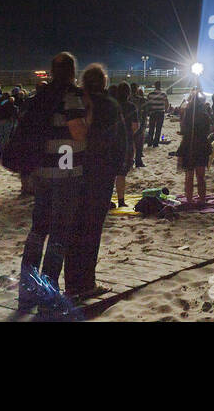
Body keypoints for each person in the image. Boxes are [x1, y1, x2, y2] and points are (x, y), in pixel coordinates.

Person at [20, 53, 88, 303]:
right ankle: (48, 288)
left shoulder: (41, 95)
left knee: (38, 229)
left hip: (42, 169)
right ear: (72, 71)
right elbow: (77, 132)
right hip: (65, 169)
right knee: (59, 231)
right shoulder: (70, 95)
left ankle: (27, 287)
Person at [66, 64, 125, 298]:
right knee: (91, 230)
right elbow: (119, 141)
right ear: (104, 82)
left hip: (74, 171)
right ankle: (86, 283)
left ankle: (71, 282)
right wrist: (118, 168)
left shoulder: (76, 103)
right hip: (100, 173)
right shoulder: (109, 105)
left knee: (74, 228)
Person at [176, 90, 212, 204]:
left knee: (189, 175)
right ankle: (202, 199)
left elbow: (183, 130)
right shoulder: (204, 115)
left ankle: (189, 199)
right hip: (201, 145)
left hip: (189, 145)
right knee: (201, 176)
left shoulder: (187, 113)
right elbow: (208, 130)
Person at [112, 82, 138, 207]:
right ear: (128, 93)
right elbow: (135, 126)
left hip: (111, 141)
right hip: (125, 141)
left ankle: (108, 199)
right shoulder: (131, 107)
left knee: (111, 172)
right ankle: (121, 201)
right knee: (121, 173)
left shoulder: (112, 105)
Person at [145, 81, 169, 147]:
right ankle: (155, 143)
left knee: (151, 128)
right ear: (160, 86)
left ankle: (150, 142)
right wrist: (166, 110)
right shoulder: (163, 94)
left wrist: (149, 111)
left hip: (152, 113)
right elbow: (167, 104)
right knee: (158, 128)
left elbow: (147, 104)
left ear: (154, 86)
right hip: (161, 113)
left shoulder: (150, 94)